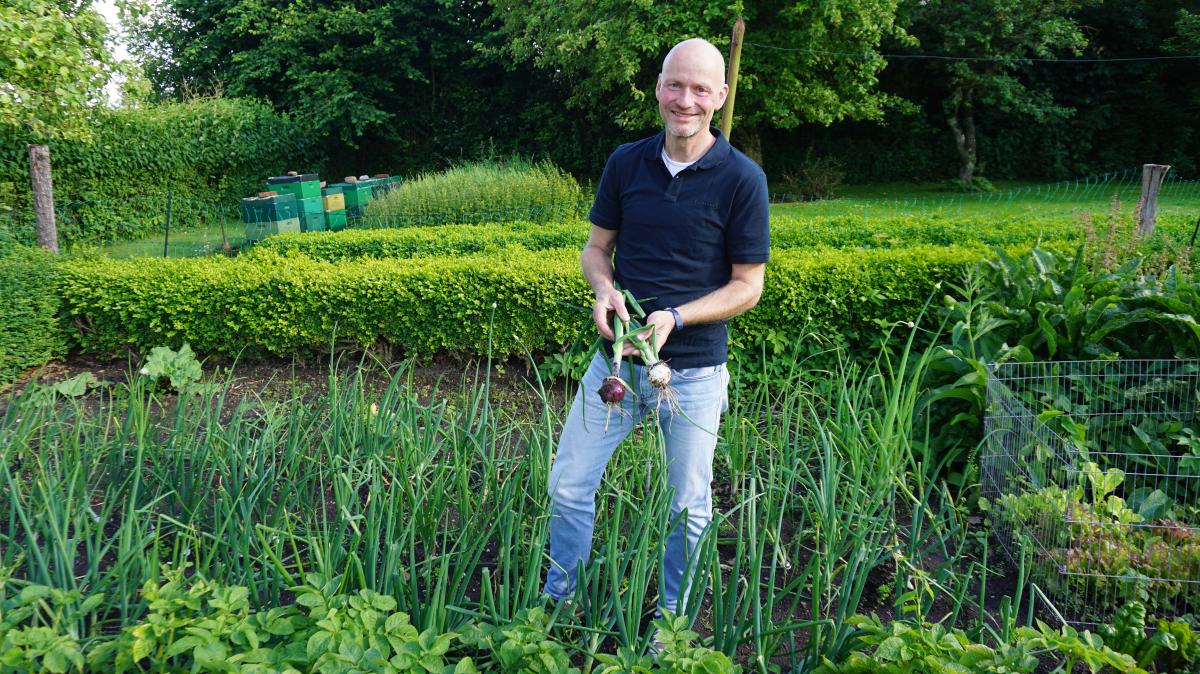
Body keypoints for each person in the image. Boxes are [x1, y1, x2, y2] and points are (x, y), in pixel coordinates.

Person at [543, 37, 770, 617]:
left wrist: (676, 316)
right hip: (614, 367)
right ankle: (560, 601)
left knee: (689, 507)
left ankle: (673, 624)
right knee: (568, 485)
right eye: (676, 85)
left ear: (719, 96)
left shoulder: (742, 179)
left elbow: (749, 285)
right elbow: (597, 249)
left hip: (692, 374)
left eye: (700, 89)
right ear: (658, 88)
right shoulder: (626, 162)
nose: (685, 100)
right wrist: (604, 288)